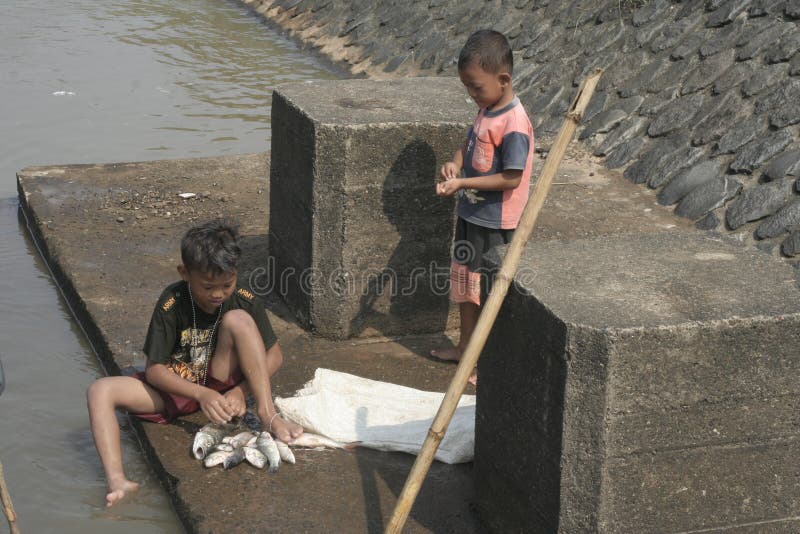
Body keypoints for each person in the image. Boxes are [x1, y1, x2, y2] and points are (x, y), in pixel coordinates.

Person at [86, 220, 303, 507]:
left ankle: (268, 414)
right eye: (208, 286)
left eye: (227, 284)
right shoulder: (172, 302)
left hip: (220, 379)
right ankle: (117, 479)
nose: (218, 294)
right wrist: (201, 394)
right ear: (184, 274)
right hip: (177, 388)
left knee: (238, 321)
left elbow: (274, 355)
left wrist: (239, 391)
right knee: (100, 390)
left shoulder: (244, 300)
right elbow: (154, 370)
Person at [431, 29, 535, 385]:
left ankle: (486, 359)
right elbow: (470, 143)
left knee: (489, 292)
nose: (472, 95)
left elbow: (510, 178)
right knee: (464, 283)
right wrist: (455, 164)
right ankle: (465, 349)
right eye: (468, 88)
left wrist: (463, 184)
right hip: (471, 215)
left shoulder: (514, 123)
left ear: (503, 79)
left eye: (476, 87)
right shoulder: (486, 109)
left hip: (496, 222)